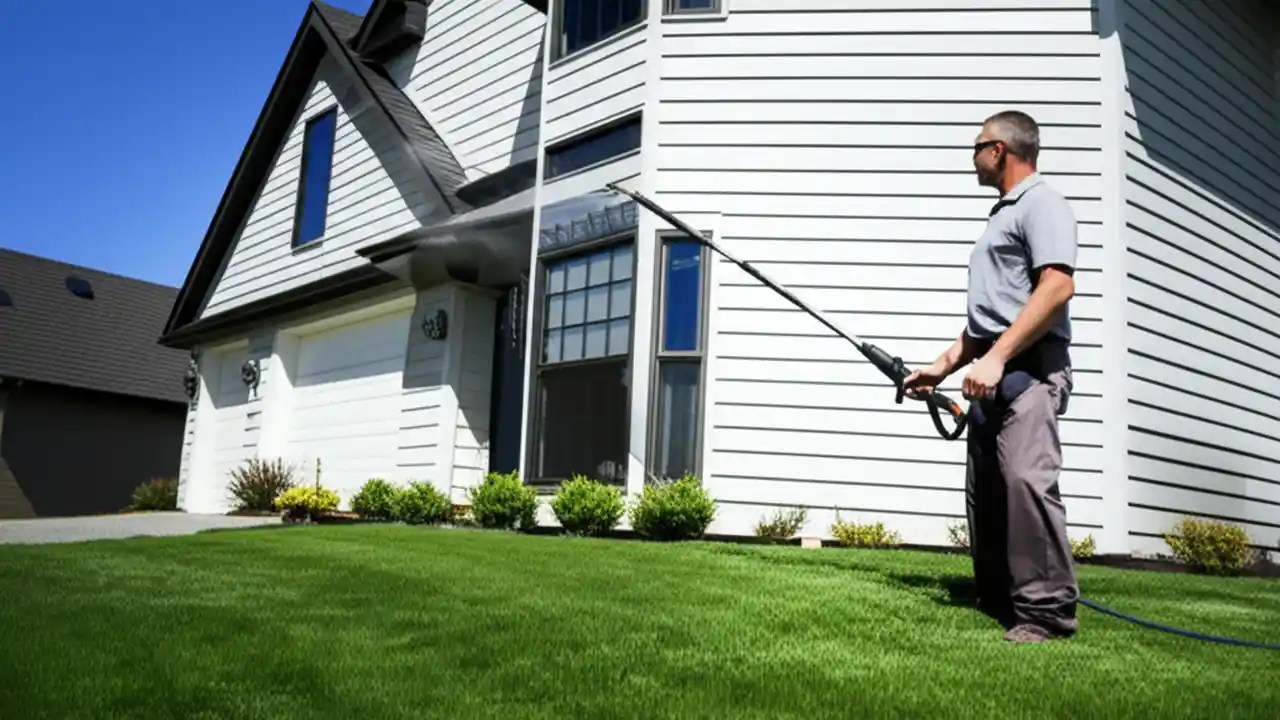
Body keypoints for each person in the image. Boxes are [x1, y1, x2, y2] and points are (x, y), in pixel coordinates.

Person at [903, 110, 1080, 644]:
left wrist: (999, 358)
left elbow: (1055, 290)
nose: (972, 156)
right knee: (989, 494)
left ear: (999, 150)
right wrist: (940, 366)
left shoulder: (1041, 202)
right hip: (991, 374)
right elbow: (988, 319)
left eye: (976, 146)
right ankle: (1000, 599)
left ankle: (1047, 613)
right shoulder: (1001, 217)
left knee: (1026, 483)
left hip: (1028, 372)